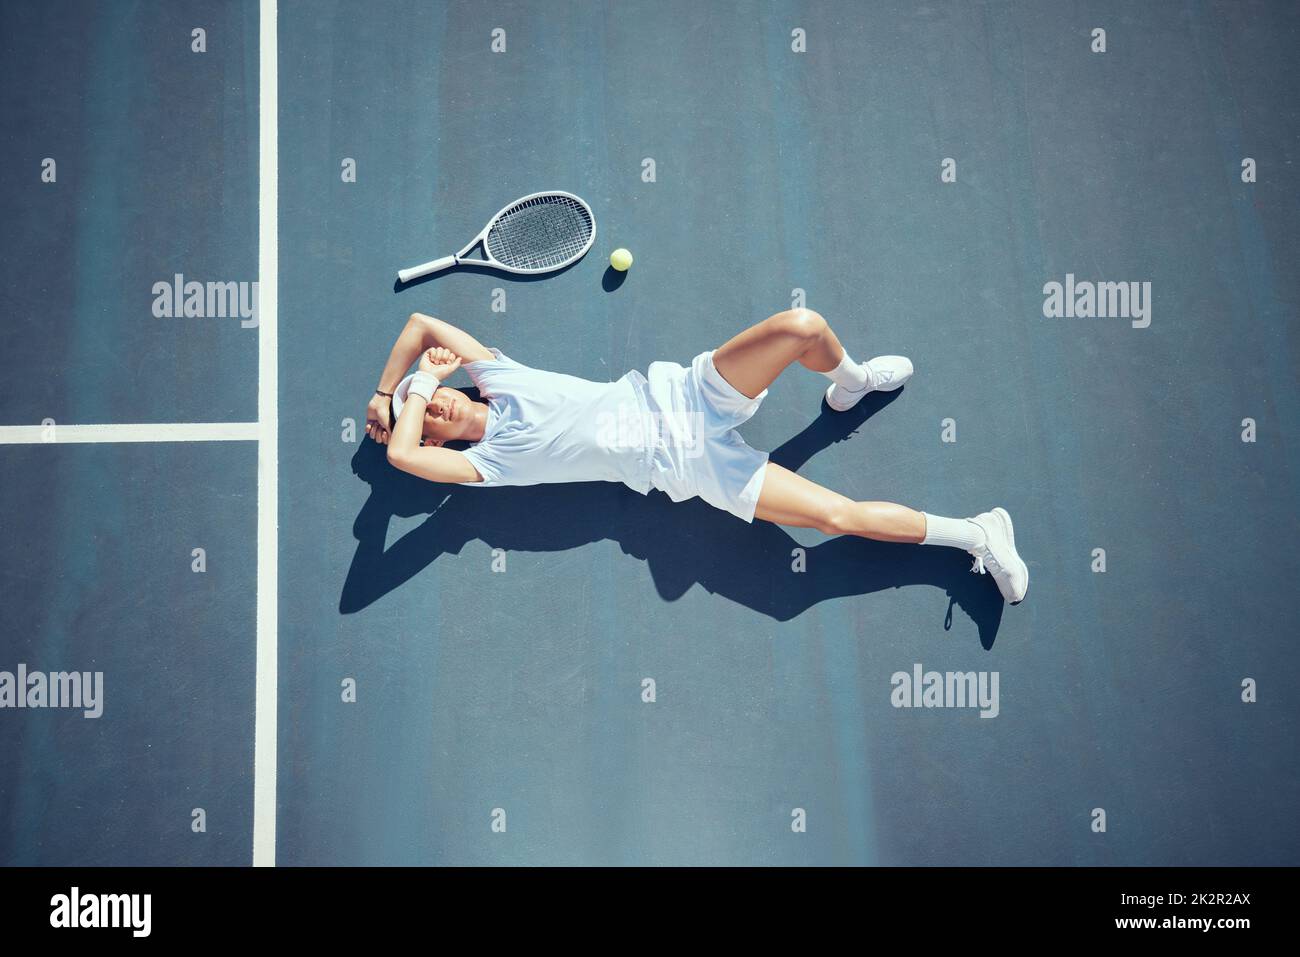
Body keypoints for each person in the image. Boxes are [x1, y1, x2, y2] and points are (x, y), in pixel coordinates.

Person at [365, 310, 1028, 603]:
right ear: (436, 440)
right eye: (428, 421)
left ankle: (850, 382)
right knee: (833, 519)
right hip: (687, 468)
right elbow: (399, 459)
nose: (438, 407)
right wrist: (419, 389)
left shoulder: (497, 375)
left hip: (686, 392)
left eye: (440, 397)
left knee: (804, 327)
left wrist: (388, 391)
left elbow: (421, 322)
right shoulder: (489, 464)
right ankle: (977, 533)